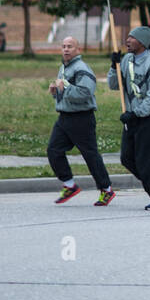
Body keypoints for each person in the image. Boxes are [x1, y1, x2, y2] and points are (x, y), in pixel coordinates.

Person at [106, 26, 150, 209]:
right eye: (127, 37)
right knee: (127, 158)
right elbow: (114, 85)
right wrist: (114, 67)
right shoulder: (127, 60)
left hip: (149, 117)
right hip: (132, 117)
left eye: (132, 38)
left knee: (145, 161)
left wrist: (136, 113)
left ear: (142, 42)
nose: (127, 40)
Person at [49, 36, 116, 205]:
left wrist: (65, 88)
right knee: (53, 150)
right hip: (64, 117)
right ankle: (69, 185)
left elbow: (86, 92)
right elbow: (64, 93)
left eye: (70, 46)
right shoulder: (64, 67)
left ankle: (106, 189)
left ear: (78, 50)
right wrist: (55, 92)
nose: (65, 49)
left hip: (81, 118)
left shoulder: (81, 68)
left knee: (90, 155)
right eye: (63, 46)